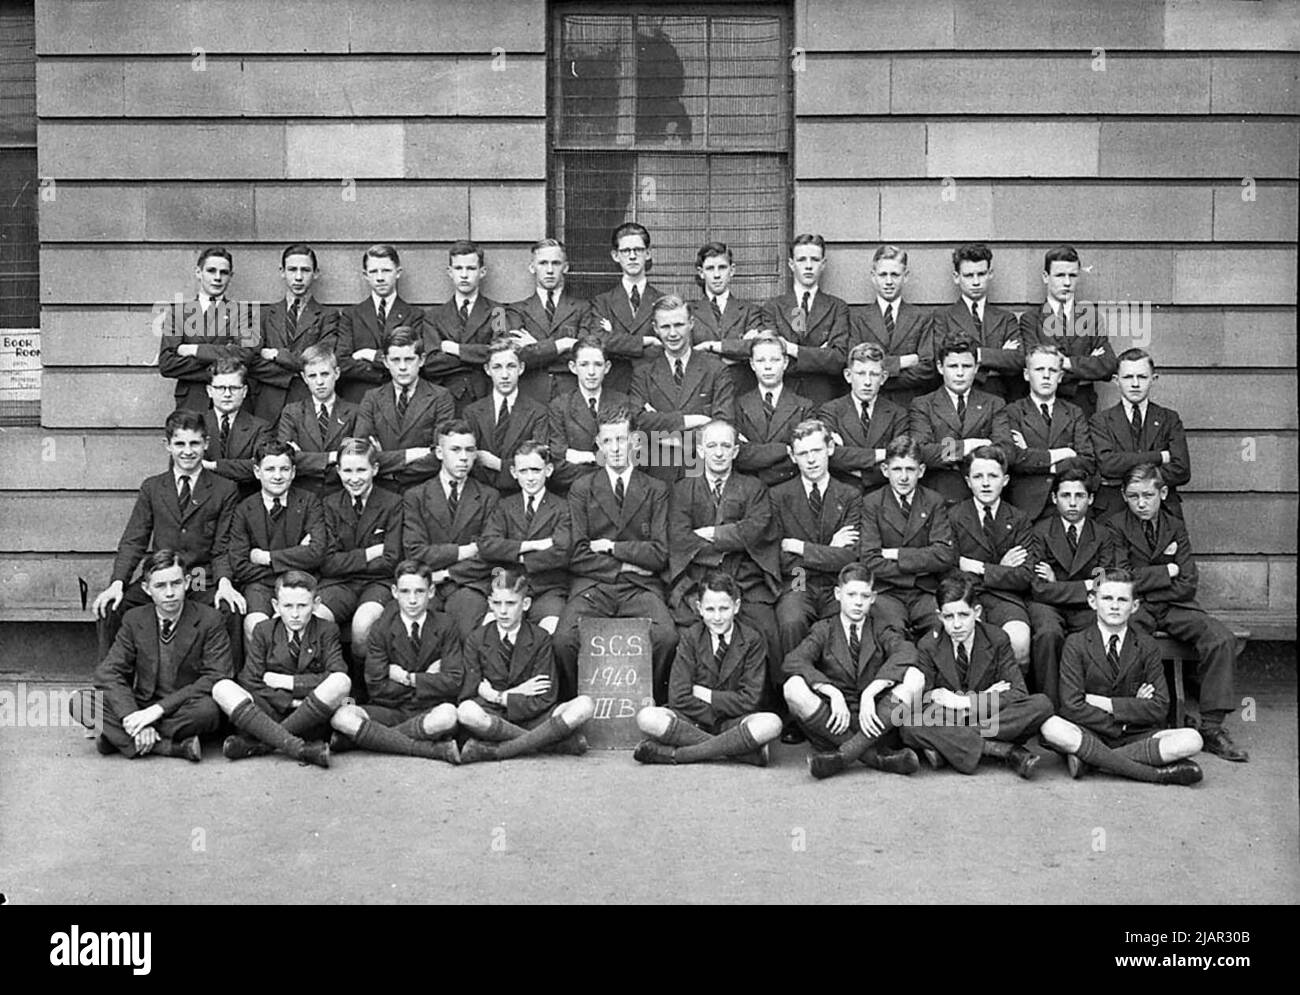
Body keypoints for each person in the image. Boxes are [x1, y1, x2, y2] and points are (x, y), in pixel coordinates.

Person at [1106, 463, 1248, 762]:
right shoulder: (1114, 526)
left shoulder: (1175, 526)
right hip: (1136, 609)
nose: (1141, 503)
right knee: (1127, 642)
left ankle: (1211, 728)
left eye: (1148, 495)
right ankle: (1138, 721)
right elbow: (1121, 578)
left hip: (1174, 607)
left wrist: (1149, 581)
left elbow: (1187, 583)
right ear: (1123, 495)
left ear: (1163, 492)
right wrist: (1166, 571)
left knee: (1220, 638)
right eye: (1133, 496)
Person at [90, 410, 245, 661]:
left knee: (230, 609)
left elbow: (223, 546)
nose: (187, 451)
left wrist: (225, 582)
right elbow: (134, 539)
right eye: (179, 444)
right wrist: (117, 582)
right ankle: (111, 683)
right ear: (168, 446)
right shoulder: (153, 487)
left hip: (199, 580)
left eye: (194, 443)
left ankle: (226, 686)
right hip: (161, 579)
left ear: (206, 444)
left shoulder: (224, 489)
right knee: (112, 607)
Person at [552, 406, 678, 702]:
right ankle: (574, 705)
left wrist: (612, 547)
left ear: (635, 441)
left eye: (622, 440)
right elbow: (578, 553)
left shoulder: (655, 488)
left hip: (641, 589)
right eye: (608, 441)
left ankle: (653, 700)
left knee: (666, 637)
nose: (616, 449)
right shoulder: (582, 488)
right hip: (593, 586)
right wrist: (628, 566)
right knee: (563, 640)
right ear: (598, 443)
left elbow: (659, 554)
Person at [1039, 568, 1205, 785]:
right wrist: (1128, 712)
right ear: (1092, 601)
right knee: (1050, 726)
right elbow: (1071, 705)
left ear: (1134, 606)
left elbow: (1160, 706)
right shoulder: (1076, 643)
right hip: (1092, 731)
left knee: (1192, 739)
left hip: (1137, 734)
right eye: (1107, 598)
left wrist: (1105, 703)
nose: (1115, 606)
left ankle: (1092, 760)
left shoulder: (1147, 645)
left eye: (1122, 599)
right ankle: (1151, 774)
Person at [73, 550, 230, 761]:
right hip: (141, 704)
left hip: (183, 705)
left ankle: (118, 738)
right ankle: (170, 747)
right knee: (81, 702)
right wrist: (131, 715)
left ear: (186, 583)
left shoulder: (209, 619)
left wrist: (157, 711)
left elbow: (217, 676)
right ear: (147, 589)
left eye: (175, 583)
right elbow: (108, 672)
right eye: (160, 586)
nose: (170, 593)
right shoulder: (134, 619)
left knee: (208, 712)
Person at [899, 572, 1053, 779]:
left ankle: (949, 744)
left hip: (976, 714)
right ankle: (1003, 750)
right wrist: (984, 698)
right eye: (948, 617)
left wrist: (965, 702)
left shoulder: (996, 638)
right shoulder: (929, 645)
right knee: (908, 723)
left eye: (963, 615)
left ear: (977, 612)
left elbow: (1018, 693)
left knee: (1041, 704)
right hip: (969, 717)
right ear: (939, 616)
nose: (956, 625)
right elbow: (925, 699)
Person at [781, 563, 923, 779]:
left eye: (865, 596)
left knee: (915, 677)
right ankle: (876, 757)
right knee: (793, 686)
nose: (858, 602)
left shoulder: (881, 627)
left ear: (873, 598)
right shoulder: (824, 629)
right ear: (838, 594)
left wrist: (871, 692)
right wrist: (830, 690)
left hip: (875, 720)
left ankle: (843, 756)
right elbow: (793, 660)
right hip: (834, 723)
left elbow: (907, 653)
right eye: (851, 594)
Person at [633, 573, 781, 766]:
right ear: (699, 608)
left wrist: (707, 695)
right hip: (693, 721)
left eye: (724, 609)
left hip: (734, 722)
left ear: (736, 607)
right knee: (647, 717)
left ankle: (680, 755)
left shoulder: (752, 640)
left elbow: (750, 701)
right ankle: (739, 753)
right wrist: (721, 704)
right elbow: (678, 697)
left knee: (771, 723)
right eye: (710, 609)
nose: (717, 617)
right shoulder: (690, 637)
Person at [328, 560, 462, 762]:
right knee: (342, 716)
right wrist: (429, 679)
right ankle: (427, 750)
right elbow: (376, 687)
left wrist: (409, 678)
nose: (413, 599)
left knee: (449, 714)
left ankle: (365, 740)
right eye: (405, 591)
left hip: (430, 709)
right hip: (390, 710)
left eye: (419, 591)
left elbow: (453, 682)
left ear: (431, 591)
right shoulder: (381, 628)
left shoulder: (445, 625)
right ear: (394, 592)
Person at [457, 569, 595, 762]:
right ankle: (552, 744)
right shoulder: (477, 639)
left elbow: (545, 698)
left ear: (526, 604)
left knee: (584, 705)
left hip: (536, 718)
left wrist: (501, 697)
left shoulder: (540, 638)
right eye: (497, 604)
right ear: (490, 604)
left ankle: (500, 751)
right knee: (466, 711)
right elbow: (470, 693)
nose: (503, 611)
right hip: (495, 718)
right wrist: (519, 692)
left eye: (511, 603)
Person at [210, 570, 344, 768]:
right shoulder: (263, 630)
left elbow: (336, 673)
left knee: (341, 682)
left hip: (309, 716)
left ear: (316, 604)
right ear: (275, 605)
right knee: (222, 687)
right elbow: (249, 680)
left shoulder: (327, 630)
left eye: (303, 606)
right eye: (288, 606)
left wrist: (286, 682)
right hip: (272, 711)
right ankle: (298, 748)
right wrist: (289, 702)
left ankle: (261, 745)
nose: (295, 614)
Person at [401, 418, 499, 640]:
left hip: (469, 585)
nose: (463, 457)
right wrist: (464, 551)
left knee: (467, 633)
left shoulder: (488, 497)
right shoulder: (416, 496)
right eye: (455, 450)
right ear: (438, 452)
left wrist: (445, 574)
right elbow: (415, 552)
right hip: (425, 584)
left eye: (469, 450)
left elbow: (489, 554)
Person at [1028, 467, 1116, 706]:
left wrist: (1059, 583)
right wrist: (1084, 585)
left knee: (1097, 632)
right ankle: (1050, 707)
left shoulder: (1102, 535)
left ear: (1091, 499)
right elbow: (1038, 588)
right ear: (1054, 498)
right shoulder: (1040, 532)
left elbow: (1101, 584)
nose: (1073, 503)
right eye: (1066, 496)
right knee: (1048, 633)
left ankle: (1089, 705)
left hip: (1086, 607)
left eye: (1079, 496)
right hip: (1048, 606)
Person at [948, 445, 1037, 672]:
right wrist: (1001, 569)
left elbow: (1024, 576)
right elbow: (949, 569)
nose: (986, 483)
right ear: (968, 481)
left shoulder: (1019, 519)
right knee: (971, 645)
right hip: (965, 596)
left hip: (1005, 597)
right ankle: (974, 703)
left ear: (1005, 480)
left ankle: (1015, 698)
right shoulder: (953, 516)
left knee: (1019, 641)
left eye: (993, 476)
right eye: (978, 476)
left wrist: (980, 568)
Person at [229, 440, 327, 643]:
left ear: (293, 472)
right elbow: (240, 566)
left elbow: (317, 553)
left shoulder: (309, 503)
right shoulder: (244, 509)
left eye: (284, 469)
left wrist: (266, 558)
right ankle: (257, 675)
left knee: (291, 623)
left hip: (300, 583)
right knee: (255, 624)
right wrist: (298, 553)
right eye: (270, 469)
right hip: (260, 586)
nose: (277, 476)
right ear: (257, 471)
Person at [859, 434, 956, 640]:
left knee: (942, 629)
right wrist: (917, 570)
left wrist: (896, 554)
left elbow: (944, 555)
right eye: (897, 469)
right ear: (885, 471)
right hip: (887, 590)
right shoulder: (872, 503)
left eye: (910, 469)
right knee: (891, 633)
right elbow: (870, 559)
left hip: (925, 590)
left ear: (921, 471)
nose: (903, 477)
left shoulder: (933, 501)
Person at [629, 294, 734, 483]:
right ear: (655, 329)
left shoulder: (716, 369)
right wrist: (691, 420)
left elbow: (723, 423)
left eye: (678, 325)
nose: (672, 333)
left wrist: (669, 437)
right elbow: (638, 421)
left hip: (699, 472)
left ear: (691, 323)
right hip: (656, 471)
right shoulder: (643, 372)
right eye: (665, 327)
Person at [316, 438, 403, 665]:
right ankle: (328, 681)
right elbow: (327, 562)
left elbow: (391, 560)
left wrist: (347, 560)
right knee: (316, 618)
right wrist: (369, 553)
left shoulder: (393, 503)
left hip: (378, 583)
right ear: (338, 471)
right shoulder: (329, 504)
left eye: (361, 470)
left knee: (363, 624)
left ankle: (363, 689)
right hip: (338, 583)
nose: (354, 479)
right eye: (347, 471)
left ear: (374, 469)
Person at [479, 441, 571, 631]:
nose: (530, 478)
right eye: (523, 471)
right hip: (506, 587)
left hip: (548, 588)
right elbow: (487, 545)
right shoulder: (504, 505)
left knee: (551, 631)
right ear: (513, 472)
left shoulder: (563, 507)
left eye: (536, 470)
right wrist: (531, 546)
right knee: (489, 632)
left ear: (549, 470)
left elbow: (562, 551)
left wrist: (511, 554)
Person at [1090, 348, 1190, 521]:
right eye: (1128, 377)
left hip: (1162, 511)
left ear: (1153, 379)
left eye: (1142, 377)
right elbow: (1107, 465)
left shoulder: (1169, 419)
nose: (1135, 384)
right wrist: (1158, 457)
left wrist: (1127, 468)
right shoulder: (1101, 421)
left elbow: (1181, 470)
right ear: (1116, 380)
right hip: (1113, 512)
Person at [1018, 244, 1117, 418]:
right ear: (1045, 277)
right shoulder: (1031, 319)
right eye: (1060, 275)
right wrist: (1087, 364)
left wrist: (1066, 363)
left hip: (1083, 406)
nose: (1067, 282)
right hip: (1045, 408)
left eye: (1072, 275)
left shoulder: (1090, 317)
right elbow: (1033, 363)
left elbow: (1108, 365)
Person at [354, 326, 454, 490]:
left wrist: (384, 461)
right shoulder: (372, 398)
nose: (402, 367)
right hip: (381, 490)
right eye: (395, 360)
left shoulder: (441, 397)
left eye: (409, 359)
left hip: (423, 489)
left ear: (421, 360)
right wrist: (410, 454)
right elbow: (361, 453)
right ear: (385, 362)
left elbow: (440, 456)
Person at [909, 337, 1008, 504]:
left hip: (982, 497)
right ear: (940, 367)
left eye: (967, 366)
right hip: (938, 497)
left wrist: (945, 452)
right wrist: (967, 446)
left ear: (976, 367)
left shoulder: (994, 403)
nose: (960, 373)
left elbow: (1006, 450)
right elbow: (922, 452)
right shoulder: (923, 404)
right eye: (953, 366)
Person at [249, 243, 339, 424]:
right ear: (282, 272)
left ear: (315, 273)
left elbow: (319, 360)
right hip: (266, 406)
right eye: (292, 270)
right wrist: (293, 374)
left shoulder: (328, 316)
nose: (298, 277)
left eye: (305, 270)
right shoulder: (262, 315)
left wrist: (276, 354)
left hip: (308, 404)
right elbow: (252, 361)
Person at [1003, 343, 1094, 521]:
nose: (1046, 376)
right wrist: (1065, 453)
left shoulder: (1074, 412)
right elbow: (1016, 459)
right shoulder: (1012, 412)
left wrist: (1041, 462)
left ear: (1060, 376)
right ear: (1026, 375)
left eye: (1052, 370)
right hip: (1027, 506)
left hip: (1068, 503)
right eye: (1039, 369)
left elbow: (1087, 462)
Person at [158, 246, 252, 412]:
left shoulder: (242, 313)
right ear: (198, 273)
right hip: (191, 403)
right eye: (211, 271)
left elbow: (245, 355)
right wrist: (224, 358)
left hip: (233, 406)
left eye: (224, 272)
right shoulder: (178, 313)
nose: (217, 278)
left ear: (231, 276)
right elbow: (167, 364)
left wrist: (194, 350)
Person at [760, 234, 850, 404]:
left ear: (823, 264)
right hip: (785, 398)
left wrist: (791, 349)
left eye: (814, 260)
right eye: (802, 260)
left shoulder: (837, 307)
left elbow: (838, 360)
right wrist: (820, 354)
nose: (808, 266)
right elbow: (773, 355)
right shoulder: (773, 307)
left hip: (823, 398)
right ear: (791, 264)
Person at [930, 243, 1021, 400]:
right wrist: (998, 356)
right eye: (969, 275)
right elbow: (941, 358)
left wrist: (974, 354)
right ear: (956, 277)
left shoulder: (1006, 318)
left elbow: (1018, 360)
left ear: (990, 274)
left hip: (999, 397)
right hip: (957, 398)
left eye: (981, 274)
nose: (976, 282)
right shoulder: (943, 317)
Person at [848, 244, 935, 408]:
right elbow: (853, 365)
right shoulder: (857, 318)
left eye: (895, 275)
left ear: (905, 276)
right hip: (871, 406)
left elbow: (927, 368)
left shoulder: (922, 317)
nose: (889, 281)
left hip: (909, 404)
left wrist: (877, 375)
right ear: (873, 276)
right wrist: (902, 362)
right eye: (883, 275)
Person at [336, 244, 425, 404]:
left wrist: (370, 355)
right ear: (365, 275)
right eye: (373, 271)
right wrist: (383, 372)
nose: (380, 278)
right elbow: (342, 362)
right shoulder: (351, 315)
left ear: (398, 273)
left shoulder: (414, 315)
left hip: (399, 400)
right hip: (358, 400)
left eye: (386, 271)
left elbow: (414, 361)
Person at [505, 237, 590, 403]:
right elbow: (514, 356)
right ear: (532, 267)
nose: (549, 270)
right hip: (530, 396)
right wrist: (563, 344)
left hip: (571, 397)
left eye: (556, 263)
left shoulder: (583, 307)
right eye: (543, 263)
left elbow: (585, 354)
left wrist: (535, 346)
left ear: (565, 267)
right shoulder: (515, 310)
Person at [422, 239, 502, 413]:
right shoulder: (433, 317)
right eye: (458, 268)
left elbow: (498, 353)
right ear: (450, 272)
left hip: (486, 396)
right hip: (446, 399)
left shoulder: (498, 312)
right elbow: (431, 363)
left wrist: (455, 349)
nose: (464, 275)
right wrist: (477, 356)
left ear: (482, 272)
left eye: (471, 268)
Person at [818, 342, 908, 495]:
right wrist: (882, 454)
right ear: (848, 375)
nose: (867, 382)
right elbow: (830, 456)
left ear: (883, 377)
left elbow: (900, 460)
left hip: (882, 494)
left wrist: (858, 470)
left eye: (873, 374)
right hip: (841, 494)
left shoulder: (897, 414)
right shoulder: (830, 411)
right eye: (860, 374)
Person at [588, 222, 667, 393]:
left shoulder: (662, 301)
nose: (632, 256)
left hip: (654, 386)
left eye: (638, 250)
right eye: (626, 251)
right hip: (614, 387)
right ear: (615, 255)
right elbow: (600, 340)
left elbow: (666, 345)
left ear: (648, 254)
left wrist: (616, 339)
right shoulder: (602, 302)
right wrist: (646, 341)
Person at [462, 337, 548, 494]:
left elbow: (537, 461)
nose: (505, 375)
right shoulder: (472, 412)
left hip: (520, 494)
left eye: (511, 366)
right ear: (487, 370)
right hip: (480, 496)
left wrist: (498, 464)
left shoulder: (538, 412)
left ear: (521, 368)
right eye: (497, 367)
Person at [545, 336, 630, 493]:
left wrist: (586, 457)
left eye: (597, 365)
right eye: (584, 365)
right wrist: (606, 463)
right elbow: (558, 465)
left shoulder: (622, 402)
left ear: (607, 367)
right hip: (574, 492)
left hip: (615, 492)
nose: (591, 372)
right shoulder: (559, 406)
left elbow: (632, 458)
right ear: (573, 367)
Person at [274, 344, 358, 496]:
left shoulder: (354, 412)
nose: (319, 382)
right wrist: (334, 456)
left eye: (325, 374)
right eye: (312, 376)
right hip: (302, 494)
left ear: (337, 373)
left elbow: (355, 459)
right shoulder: (292, 412)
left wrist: (304, 459)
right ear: (304, 378)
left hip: (342, 492)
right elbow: (286, 459)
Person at [733, 333, 814, 487]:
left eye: (775, 360)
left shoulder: (804, 407)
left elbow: (803, 455)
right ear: (752, 364)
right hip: (749, 490)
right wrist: (785, 449)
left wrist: (757, 455)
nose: (768, 366)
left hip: (788, 488)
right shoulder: (739, 405)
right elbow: (740, 455)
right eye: (761, 360)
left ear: (785, 362)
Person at [688, 241, 764, 395]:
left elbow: (756, 348)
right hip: (703, 393)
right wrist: (737, 356)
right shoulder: (688, 312)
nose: (717, 275)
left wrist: (711, 346)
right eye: (710, 268)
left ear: (732, 270)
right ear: (701, 272)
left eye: (722, 267)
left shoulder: (750, 311)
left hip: (741, 393)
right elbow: (688, 355)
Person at [201, 357, 272, 498]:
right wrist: (240, 467)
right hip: (204, 505)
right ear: (209, 390)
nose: (227, 394)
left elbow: (259, 469)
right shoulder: (196, 425)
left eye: (234, 388)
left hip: (244, 506)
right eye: (220, 388)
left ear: (244, 391)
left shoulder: (261, 428)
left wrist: (213, 466)